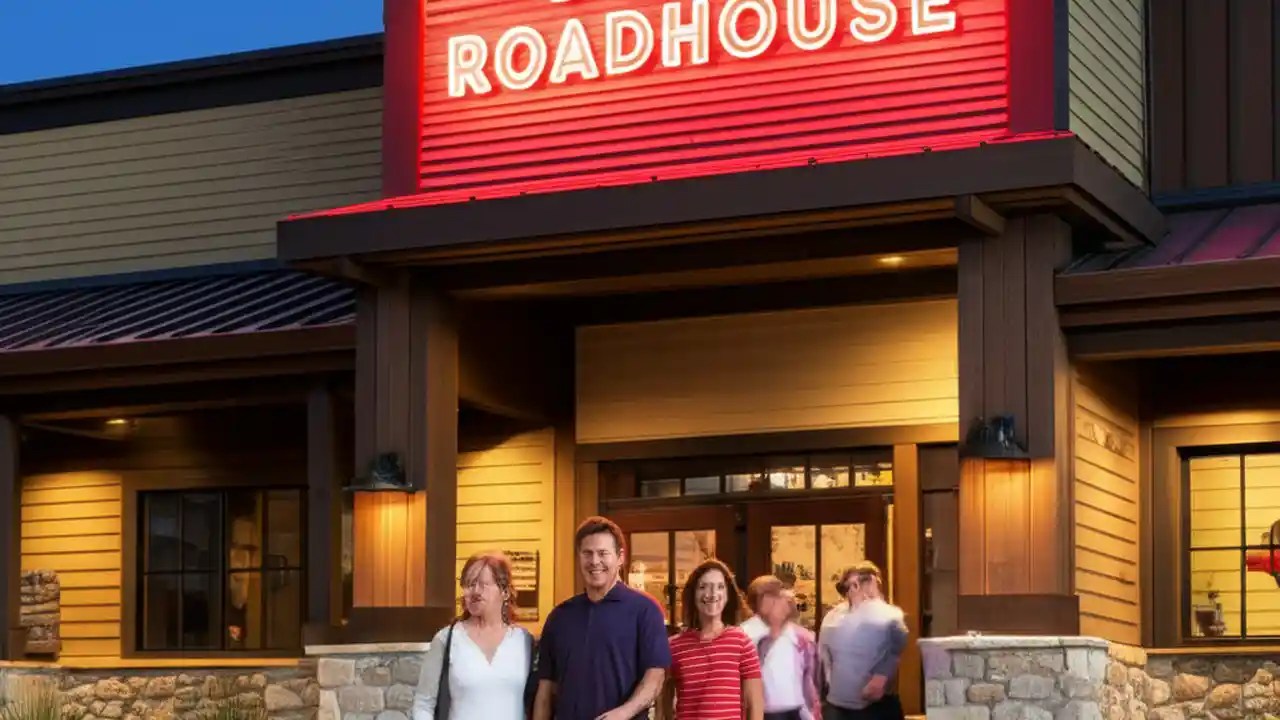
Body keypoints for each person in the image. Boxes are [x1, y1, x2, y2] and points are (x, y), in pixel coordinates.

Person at [534, 516, 671, 720]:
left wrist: (624, 712)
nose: (594, 561)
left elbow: (655, 677)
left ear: (620, 557)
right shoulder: (559, 617)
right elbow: (545, 690)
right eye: (587, 553)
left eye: (603, 553)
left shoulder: (645, 611)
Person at [413, 551, 536, 720]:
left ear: (505, 592)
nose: (475, 592)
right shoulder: (447, 639)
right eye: (469, 584)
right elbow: (423, 703)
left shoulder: (523, 641)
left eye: (483, 584)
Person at [661, 559, 763, 720]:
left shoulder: (741, 642)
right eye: (703, 587)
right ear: (693, 594)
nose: (712, 593)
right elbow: (663, 699)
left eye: (720, 587)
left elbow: (754, 705)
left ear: (728, 595)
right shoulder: (674, 646)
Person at [818, 562, 907, 720]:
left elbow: (898, 639)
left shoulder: (885, 614)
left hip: (876, 704)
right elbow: (824, 658)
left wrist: (881, 675)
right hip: (838, 705)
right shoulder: (833, 617)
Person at [741, 576, 822, 720]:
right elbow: (750, 674)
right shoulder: (746, 631)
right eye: (773, 597)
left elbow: (803, 676)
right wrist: (774, 629)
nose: (780, 602)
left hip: (797, 710)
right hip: (767, 713)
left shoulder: (794, 632)